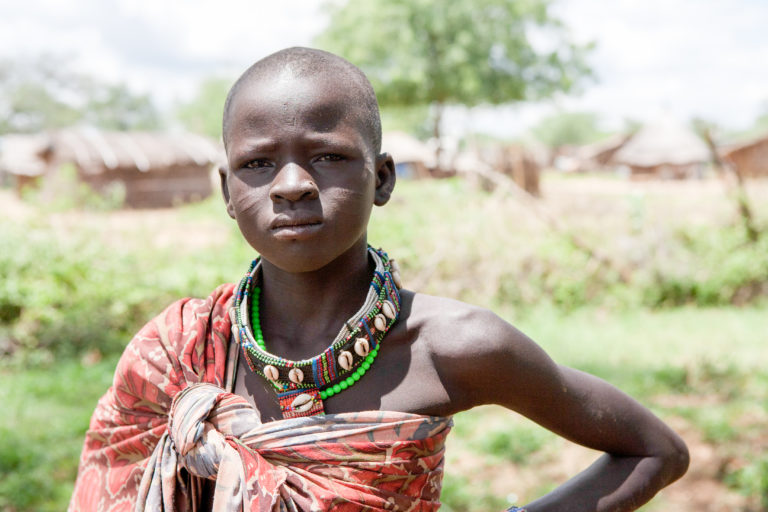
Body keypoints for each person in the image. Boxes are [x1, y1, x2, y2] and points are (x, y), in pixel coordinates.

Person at [69, 47, 689, 512]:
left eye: (329, 156)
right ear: (227, 192)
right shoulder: (176, 353)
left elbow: (654, 450)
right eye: (257, 164)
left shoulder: (452, 345)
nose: (291, 185)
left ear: (384, 178)